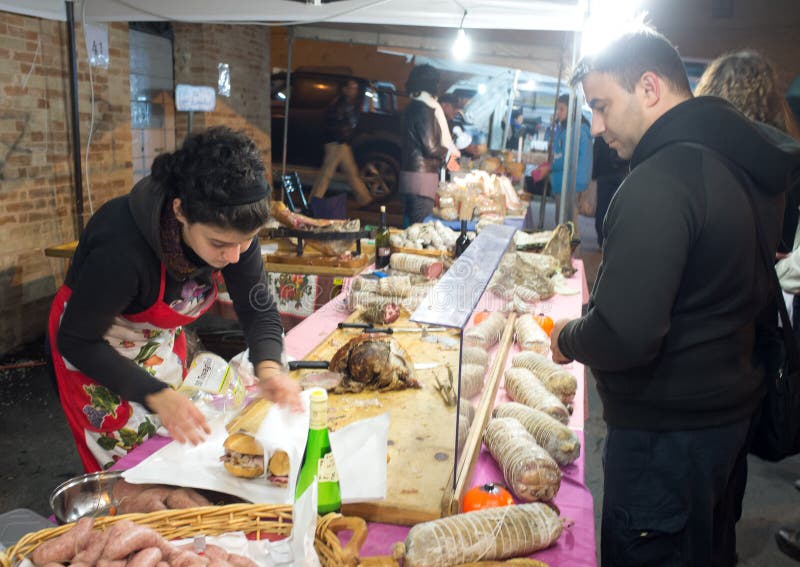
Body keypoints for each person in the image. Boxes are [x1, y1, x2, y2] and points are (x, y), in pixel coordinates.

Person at [549, 27, 800, 566]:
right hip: (724, 424)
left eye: (600, 105)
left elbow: (625, 331)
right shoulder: (737, 164)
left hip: (665, 438)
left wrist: (566, 335)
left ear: (648, 87)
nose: (596, 127)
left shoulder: (662, 179)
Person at [48, 127, 302, 472]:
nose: (234, 257)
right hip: (96, 346)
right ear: (180, 211)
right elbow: (76, 339)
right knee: (133, 472)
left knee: (174, 449)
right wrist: (155, 394)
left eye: (246, 242)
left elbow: (257, 309)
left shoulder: (234, 228)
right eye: (218, 244)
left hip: (154, 343)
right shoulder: (122, 247)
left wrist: (269, 368)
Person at [696, 50, 800, 562]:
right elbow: (784, 242)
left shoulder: (707, 155)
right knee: (729, 475)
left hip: (705, 333)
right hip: (758, 324)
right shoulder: (785, 159)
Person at [399, 64, 458, 226]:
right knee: (418, 228)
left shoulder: (412, 106)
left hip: (411, 175)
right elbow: (431, 146)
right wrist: (448, 153)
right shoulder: (424, 108)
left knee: (409, 224)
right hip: (421, 179)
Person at [531, 93, 593, 233]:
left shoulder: (575, 130)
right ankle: (569, 252)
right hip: (568, 182)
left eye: (561, 109)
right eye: (557, 109)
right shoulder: (570, 129)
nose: (558, 113)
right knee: (566, 223)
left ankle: (569, 253)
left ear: (572, 110)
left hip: (570, 183)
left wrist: (549, 168)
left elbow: (568, 159)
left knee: (567, 225)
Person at [310, 79, 374, 208]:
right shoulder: (339, 104)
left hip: (342, 143)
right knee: (327, 174)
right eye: (351, 88)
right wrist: (342, 136)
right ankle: (314, 201)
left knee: (351, 173)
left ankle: (365, 199)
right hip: (336, 143)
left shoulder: (348, 104)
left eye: (355, 88)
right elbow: (335, 124)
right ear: (344, 90)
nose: (354, 91)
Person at [592, 136, 628, 248]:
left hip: (604, 174)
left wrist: (594, 176)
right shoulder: (621, 132)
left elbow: (596, 156)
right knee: (618, 208)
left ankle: (601, 240)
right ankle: (615, 240)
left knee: (602, 208)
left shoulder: (600, 137)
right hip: (621, 174)